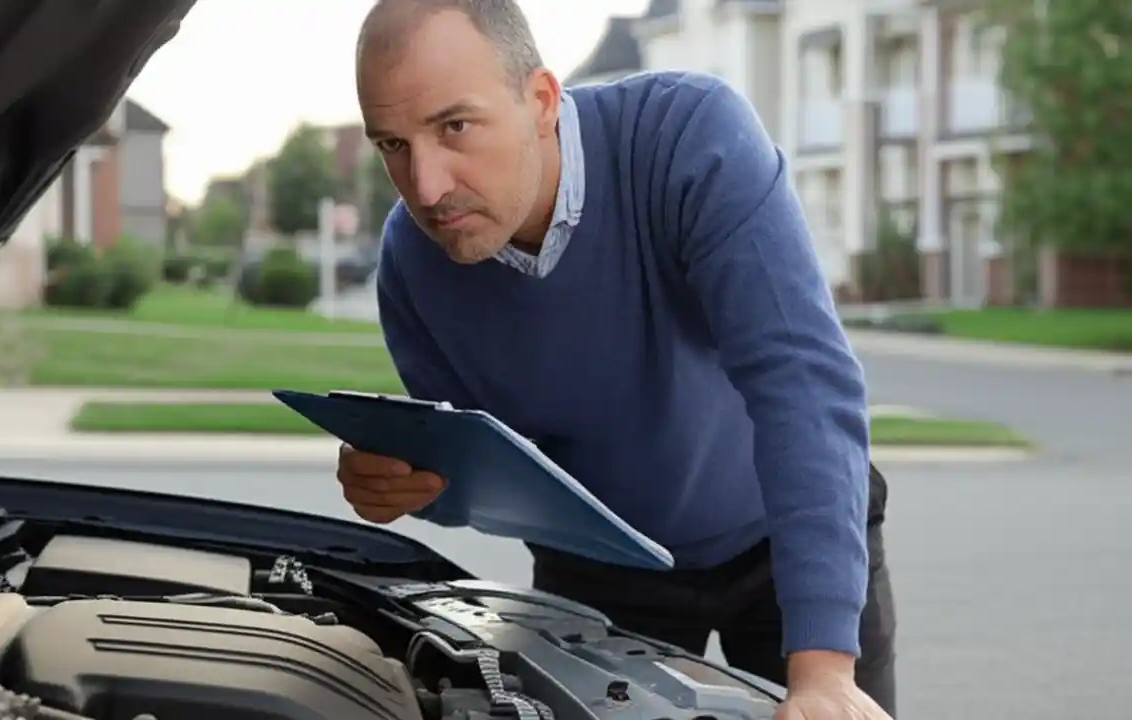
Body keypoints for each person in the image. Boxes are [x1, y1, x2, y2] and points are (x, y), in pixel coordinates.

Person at [338, 1, 897, 718]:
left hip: (790, 531)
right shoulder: (411, 263)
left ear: (540, 99)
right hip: (604, 565)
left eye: (455, 127)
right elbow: (497, 466)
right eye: (393, 145)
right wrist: (416, 486)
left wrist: (822, 674)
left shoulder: (689, 135)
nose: (426, 187)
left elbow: (803, 380)